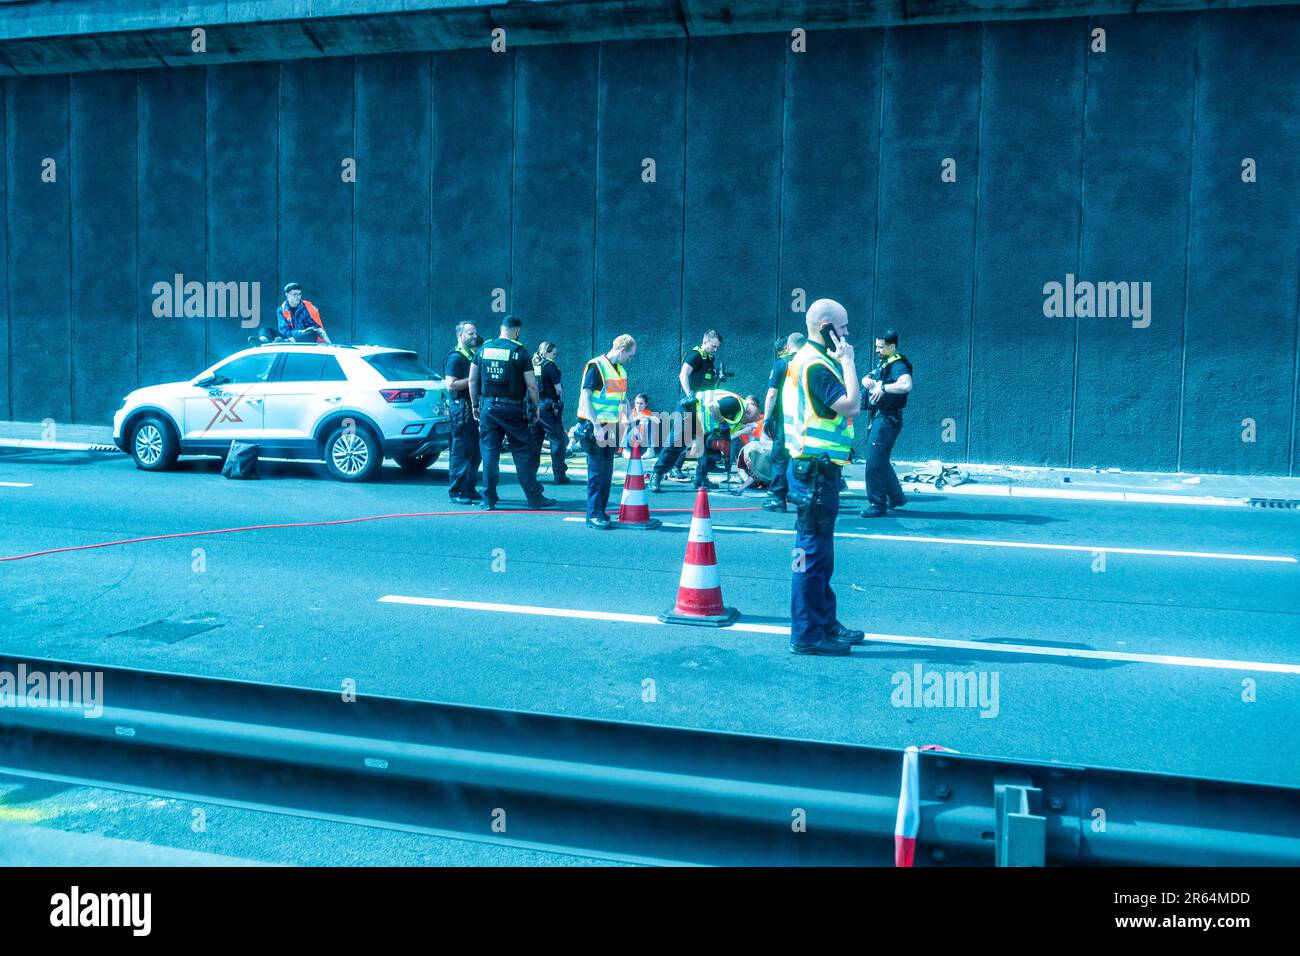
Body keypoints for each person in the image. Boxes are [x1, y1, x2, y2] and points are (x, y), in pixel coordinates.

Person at [784, 299, 866, 656]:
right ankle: (807, 634)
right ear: (826, 326)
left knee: (820, 554)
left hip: (819, 471)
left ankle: (824, 621)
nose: (847, 334)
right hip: (814, 473)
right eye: (843, 328)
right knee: (809, 554)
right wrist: (848, 360)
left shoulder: (815, 360)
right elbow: (851, 405)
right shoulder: (815, 363)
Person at [469, 315, 557, 511]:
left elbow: (472, 380)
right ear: (517, 331)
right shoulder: (520, 351)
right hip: (512, 409)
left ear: (501, 328)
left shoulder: (484, 349)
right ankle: (534, 498)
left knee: (490, 455)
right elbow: (532, 385)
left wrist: (475, 405)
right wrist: (535, 408)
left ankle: (488, 499)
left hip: (488, 407)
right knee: (522, 453)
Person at [649, 330, 722, 490]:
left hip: (703, 407)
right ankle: (657, 474)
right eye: (713, 346)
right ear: (705, 341)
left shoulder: (710, 358)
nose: (715, 349)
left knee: (706, 443)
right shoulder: (695, 355)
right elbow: (683, 375)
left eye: (717, 347)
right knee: (677, 442)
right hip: (689, 406)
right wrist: (690, 395)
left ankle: (701, 478)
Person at [578, 335, 637, 529]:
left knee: (606, 472)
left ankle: (600, 511)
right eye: (629, 355)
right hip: (596, 426)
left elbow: (624, 400)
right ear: (621, 351)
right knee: (596, 472)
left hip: (611, 427)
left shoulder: (621, 372)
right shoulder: (596, 367)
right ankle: (593, 514)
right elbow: (586, 397)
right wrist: (595, 425)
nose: (630, 359)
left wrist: (631, 423)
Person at [860, 327, 913, 518]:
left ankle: (877, 503)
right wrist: (867, 380)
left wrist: (883, 387)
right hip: (880, 417)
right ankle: (897, 497)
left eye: (880, 347)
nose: (876, 350)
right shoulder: (885, 362)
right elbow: (872, 378)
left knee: (873, 462)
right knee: (880, 459)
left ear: (892, 346)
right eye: (876, 346)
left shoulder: (898, 365)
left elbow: (906, 384)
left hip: (887, 418)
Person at [762, 332, 805, 512]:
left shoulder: (781, 363)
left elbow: (772, 394)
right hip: (806, 418)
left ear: (788, 346)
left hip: (784, 418)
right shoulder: (810, 362)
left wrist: (766, 418)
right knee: (801, 455)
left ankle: (778, 498)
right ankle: (802, 495)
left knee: (779, 457)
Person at [443, 321, 482, 504]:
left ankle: (469, 488)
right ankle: (456, 491)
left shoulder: (471, 355)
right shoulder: (456, 358)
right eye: (470, 334)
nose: (474, 337)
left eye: (475, 333)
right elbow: (451, 384)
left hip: (472, 408)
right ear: (460, 336)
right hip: (462, 408)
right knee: (461, 452)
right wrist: (473, 379)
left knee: (474, 452)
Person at [531, 341, 570, 484]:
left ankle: (530, 474)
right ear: (547, 352)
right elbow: (558, 389)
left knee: (535, 442)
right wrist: (559, 400)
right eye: (553, 353)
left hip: (534, 407)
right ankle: (559, 475)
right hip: (548, 407)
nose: (555, 356)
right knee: (558, 440)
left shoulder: (534, 364)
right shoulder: (550, 365)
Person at [251, 282, 331, 344]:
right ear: (287, 295)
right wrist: (301, 332)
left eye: (299, 294)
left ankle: (286, 342)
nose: (298, 297)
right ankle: (263, 342)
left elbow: (318, 330)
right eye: (295, 294)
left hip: (305, 340)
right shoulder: (281, 309)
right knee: (265, 329)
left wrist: (329, 344)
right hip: (287, 337)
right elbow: (284, 331)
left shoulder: (309, 308)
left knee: (311, 334)